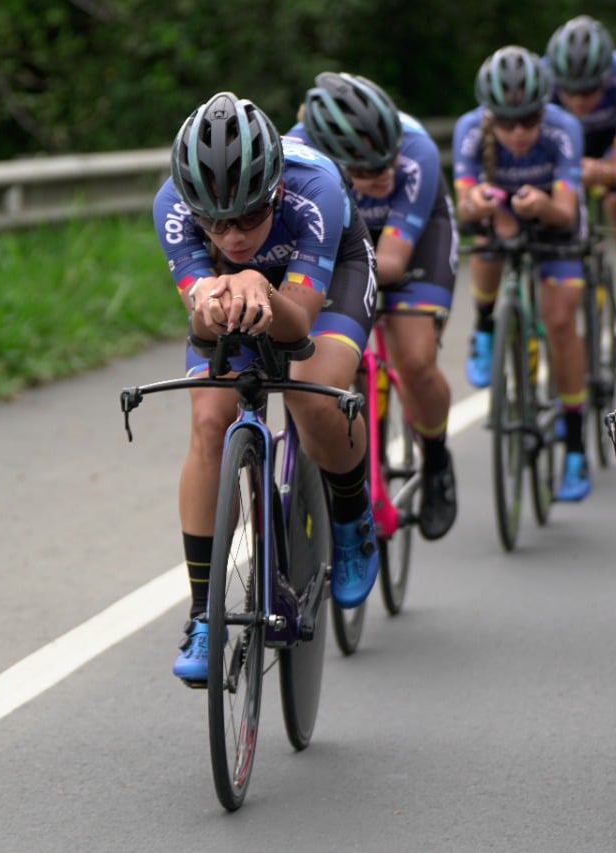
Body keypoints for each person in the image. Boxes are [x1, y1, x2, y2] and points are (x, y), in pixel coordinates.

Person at [153, 91, 380, 684]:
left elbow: (301, 322)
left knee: (310, 390)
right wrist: (209, 296)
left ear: (276, 190)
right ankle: (205, 614)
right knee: (208, 422)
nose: (230, 236)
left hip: (329, 282)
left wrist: (255, 277)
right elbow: (202, 319)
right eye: (215, 223)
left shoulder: (317, 190)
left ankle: (353, 516)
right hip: (238, 296)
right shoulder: (172, 207)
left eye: (249, 217)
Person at [288, 71, 459, 540]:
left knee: (416, 359)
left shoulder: (417, 151)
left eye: (387, 163)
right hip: (338, 246)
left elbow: (389, 261)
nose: (382, 177)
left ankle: (437, 455)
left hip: (409, 246)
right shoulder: (300, 161)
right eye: (365, 172)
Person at [452, 45, 592, 502]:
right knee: (490, 241)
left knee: (558, 319)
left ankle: (574, 444)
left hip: (556, 224)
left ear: (542, 110)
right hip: (502, 220)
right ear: (489, 114)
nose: (517, 132)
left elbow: (567, 213)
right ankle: (487, 325)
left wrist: (542, 204)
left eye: (528, 119)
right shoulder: (470, 130)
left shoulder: (563, 128)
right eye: (506, 121)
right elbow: (465, 200)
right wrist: (483, 204)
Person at [545, 14, 616, 344]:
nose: (578, 101)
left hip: (614, 142)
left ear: (606, 78)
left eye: (589, 91)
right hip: (568, 144)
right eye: (570, 92)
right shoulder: (543, 78)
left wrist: (602, 171)